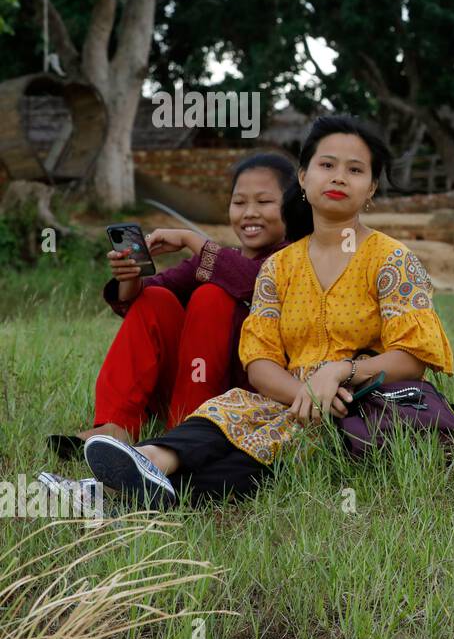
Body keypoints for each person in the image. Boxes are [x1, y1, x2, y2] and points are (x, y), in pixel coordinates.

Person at [70, 116, 454, 509]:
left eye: (355, 170)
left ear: (371, 187)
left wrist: (340, 372)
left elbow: (414, 357)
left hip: (355, 400)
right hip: (286, 396)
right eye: (327, 165)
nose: (339, 177)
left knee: (271, 451)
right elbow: (259, 361)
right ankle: (148, 460)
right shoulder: (280, 266)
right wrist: (303, 394)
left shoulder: (392, 259)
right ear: (303, 178)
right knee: (229, 411)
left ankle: (113, 495)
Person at [47, 153, 294, 458]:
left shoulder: (295, 260)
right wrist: (131, 279)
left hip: (241, 400)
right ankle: (116, 425)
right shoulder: (219, 258)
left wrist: (191, 238)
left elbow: (253, 282)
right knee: (155, 299)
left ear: (292, 206)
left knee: (210, 296)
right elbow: (146, 297)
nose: (249, 213)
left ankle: (184, 433)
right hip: (190, 381)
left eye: (264, 202)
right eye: (239, 202)